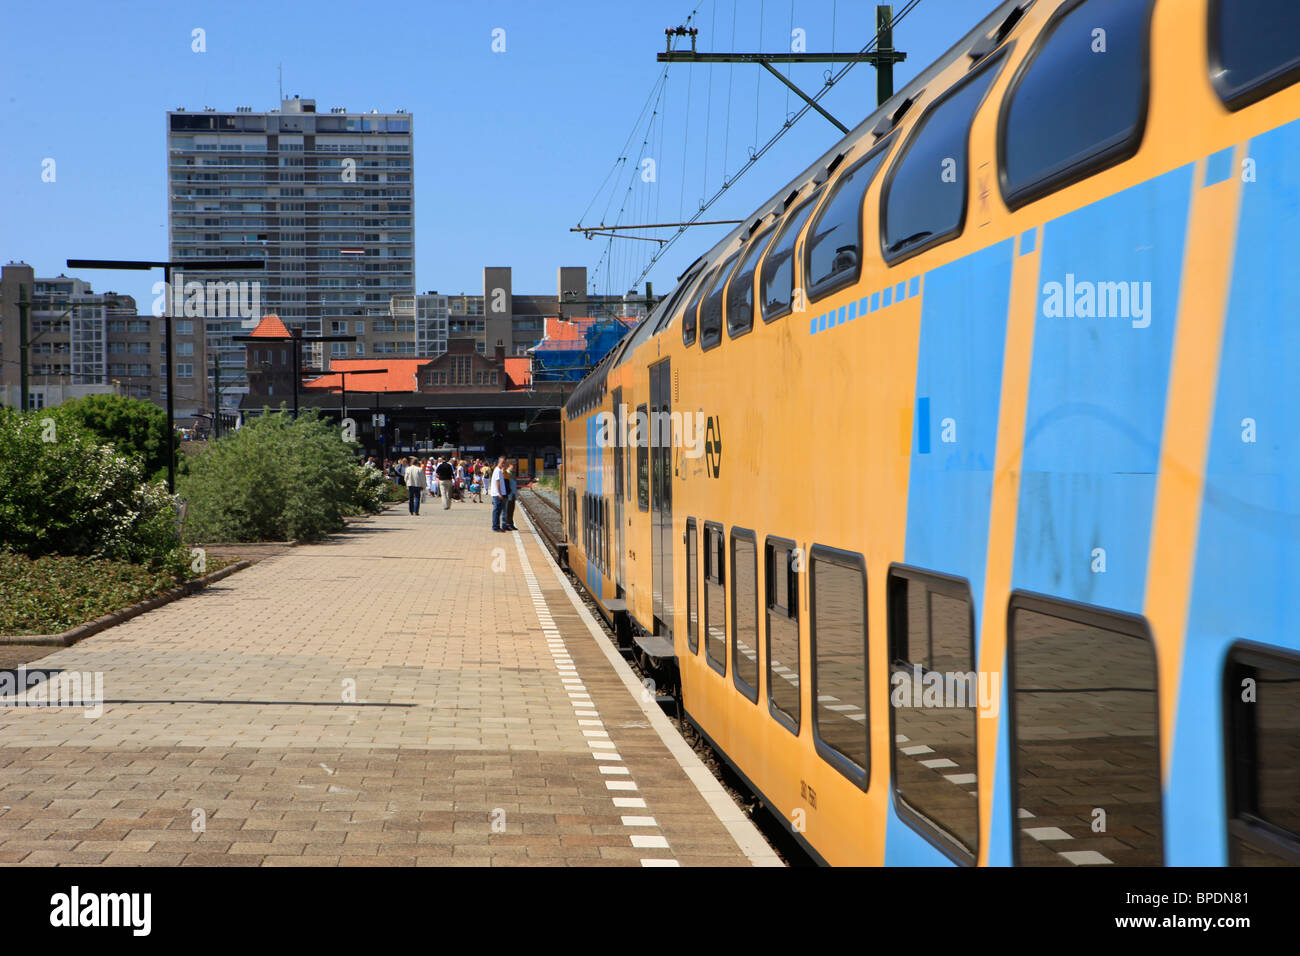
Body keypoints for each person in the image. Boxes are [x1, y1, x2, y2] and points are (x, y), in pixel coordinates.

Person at [490, 457, 508, 532]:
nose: (503, 464)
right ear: (499, 462)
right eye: (502, 462)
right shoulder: (497, 471)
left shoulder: (498, 470)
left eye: (504, 462)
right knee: (496, 511)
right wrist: (500, 493)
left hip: (498, 494)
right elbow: (497, 482)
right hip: (497, 494)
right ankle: (495, 527)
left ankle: (496, 526)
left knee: (498, 511)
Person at [503, 465, 518, 531]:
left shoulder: (513, 473)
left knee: (511, 510)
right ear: (509, 466)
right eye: (513, 465)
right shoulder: (507, 473)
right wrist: (510, 495)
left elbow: (514, 485)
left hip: (513, 495)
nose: (514, 467)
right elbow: (508, 486)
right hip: (509, 495)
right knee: (508, 510)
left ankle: (511, 524)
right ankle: (508, 524)